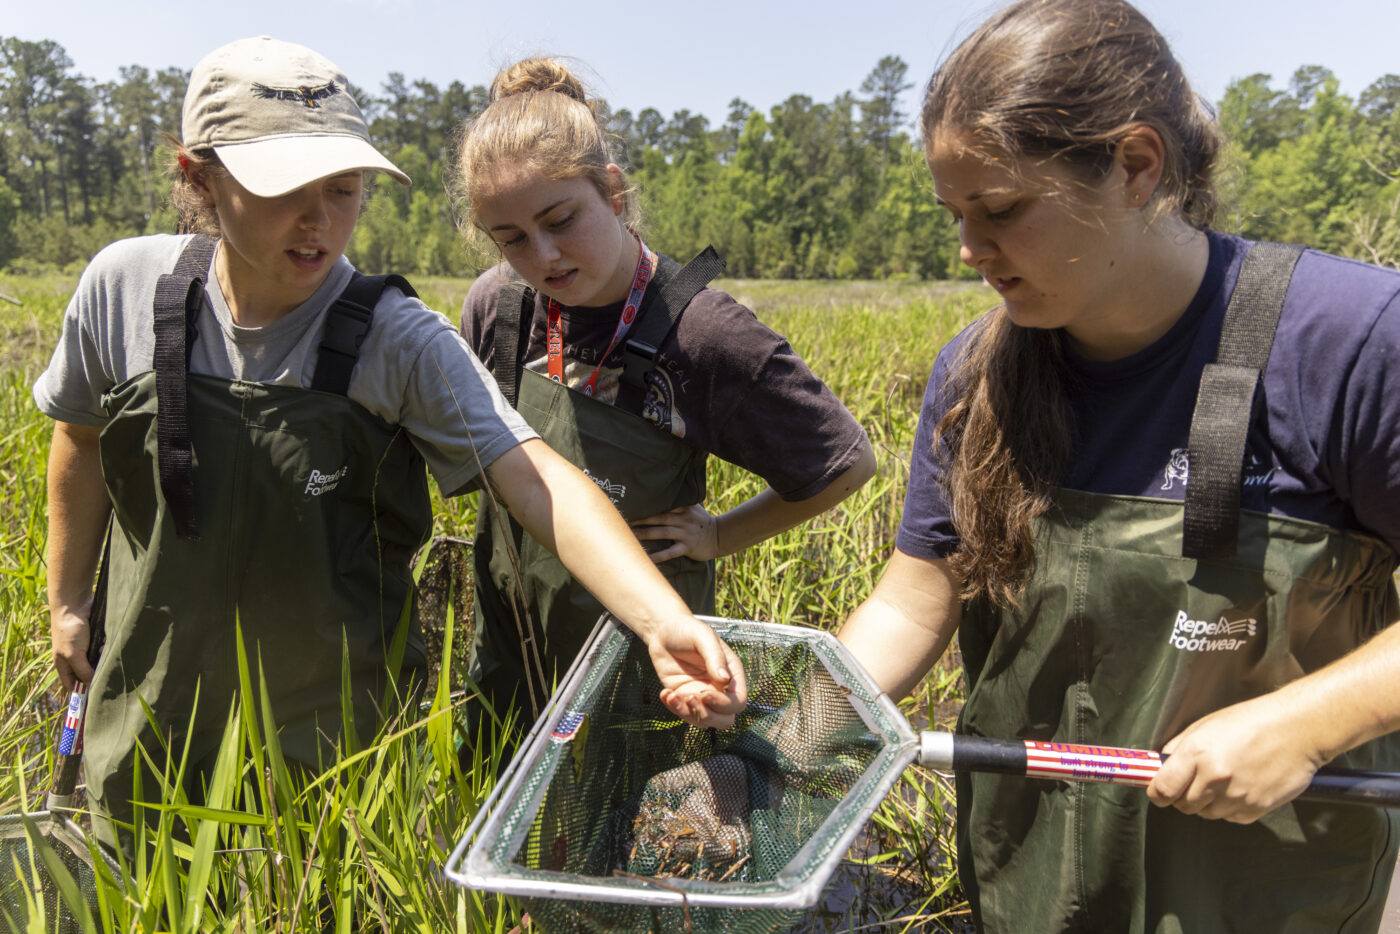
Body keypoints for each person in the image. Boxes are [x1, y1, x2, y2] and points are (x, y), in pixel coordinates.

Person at [35, 36, 744, 853]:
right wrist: (67, 602)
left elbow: (537, 478)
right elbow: (80, 439)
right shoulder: (123, 288)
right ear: (200, 179)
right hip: (148, 712)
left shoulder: (396, 339)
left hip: (331, 749)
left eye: (344, 189)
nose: (321, 221)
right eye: (286, 191)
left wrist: (659, 622)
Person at [836, 1, 1400, 930]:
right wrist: (788, 733)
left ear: (1136, 166)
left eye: (1002, 211)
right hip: (1031, 882)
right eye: (955, 216)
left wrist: (1307, 724)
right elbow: (914, 598)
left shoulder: (1345, 343)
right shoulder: (977, 372)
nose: (972, 252)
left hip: (1265, 892)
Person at [453, 58, 875, 730]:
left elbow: (846, 464)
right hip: (511, 657)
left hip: (644, 670)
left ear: (612, 193)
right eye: (511, 240)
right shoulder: (498, 307)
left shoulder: (704, 333)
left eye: (560, 220)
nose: (544, 257)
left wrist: (720, 535)